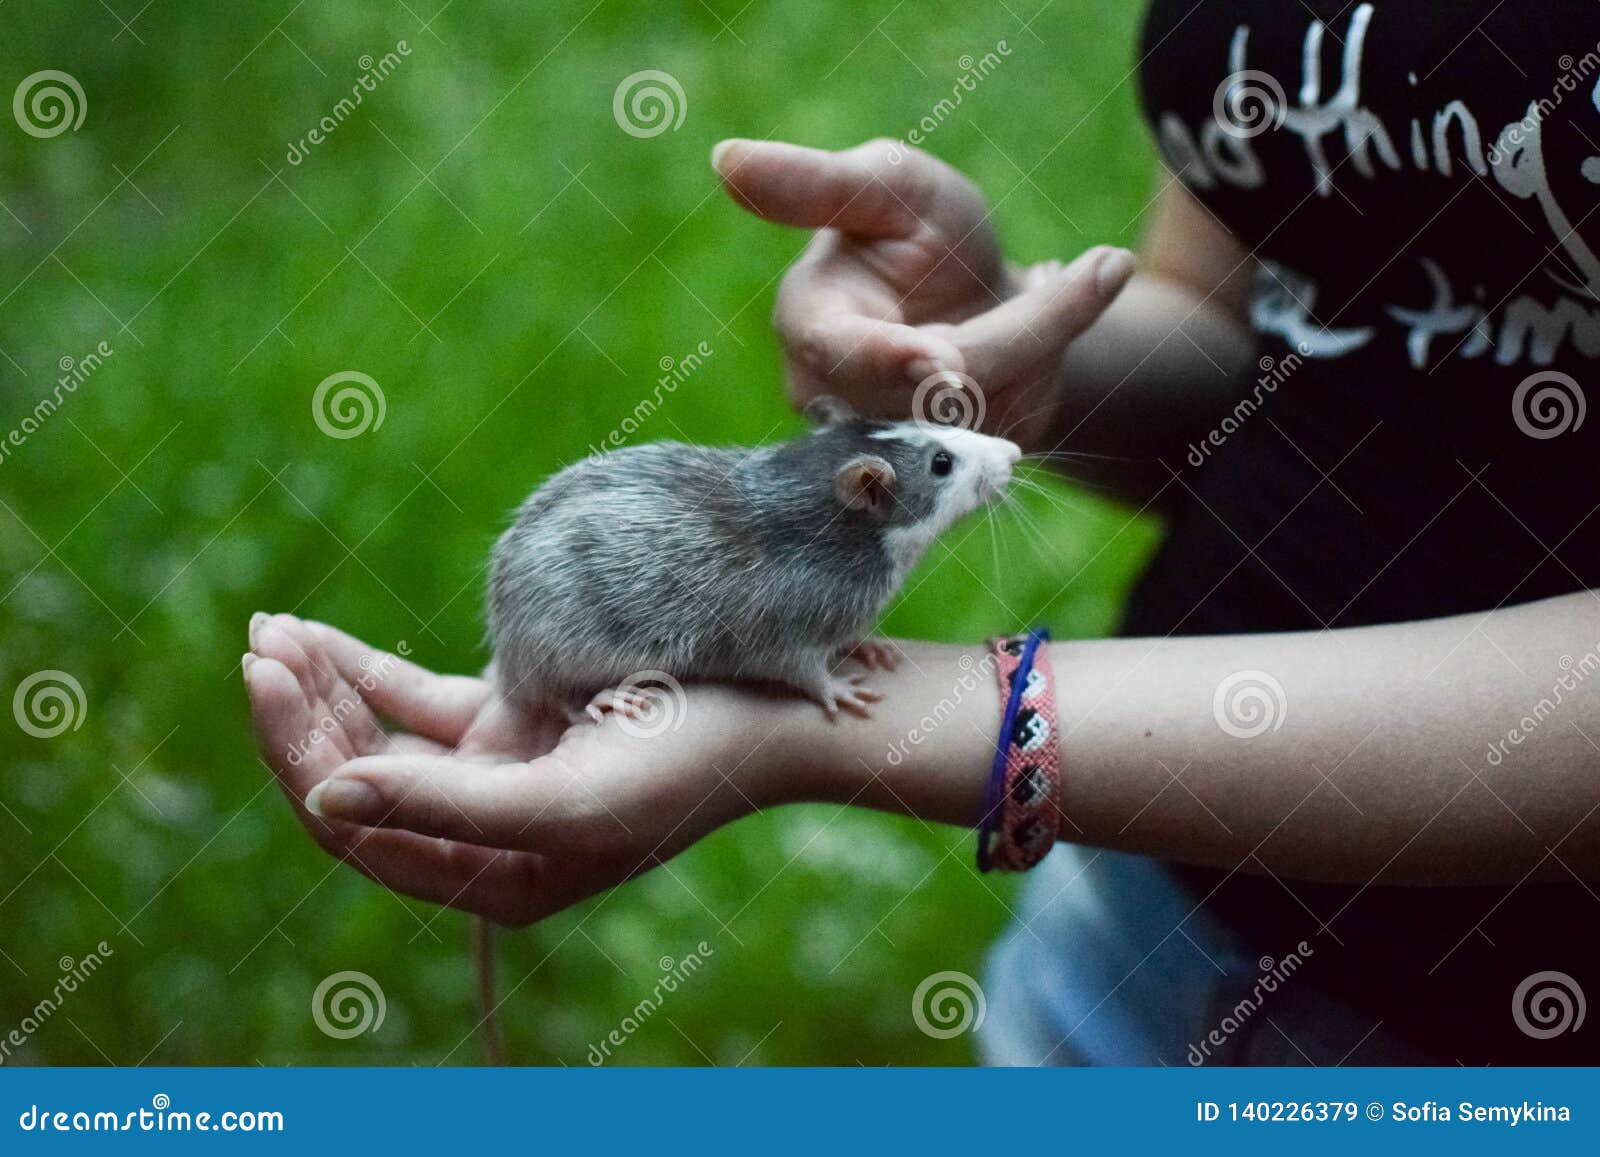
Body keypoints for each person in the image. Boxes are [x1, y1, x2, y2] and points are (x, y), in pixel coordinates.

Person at [246, 0, 1600, 1065]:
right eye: (960, 462)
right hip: (1133, 937)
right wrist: (1017, 336)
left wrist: (868, 724)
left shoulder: (832, 566)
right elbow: (1264, 336)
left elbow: (794, 657)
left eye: (975, 449)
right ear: (870, 492)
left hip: (1481, 1031)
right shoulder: (826, 560)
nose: (997, 467)